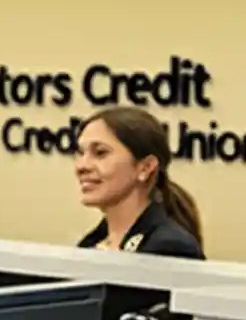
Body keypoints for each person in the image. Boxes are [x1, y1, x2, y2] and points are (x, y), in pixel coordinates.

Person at [73, 106, 204, 259]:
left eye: (101, 153)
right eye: (81, 153)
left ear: (145, 168)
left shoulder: (170, 247)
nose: (82, 166)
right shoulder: (89, 244)